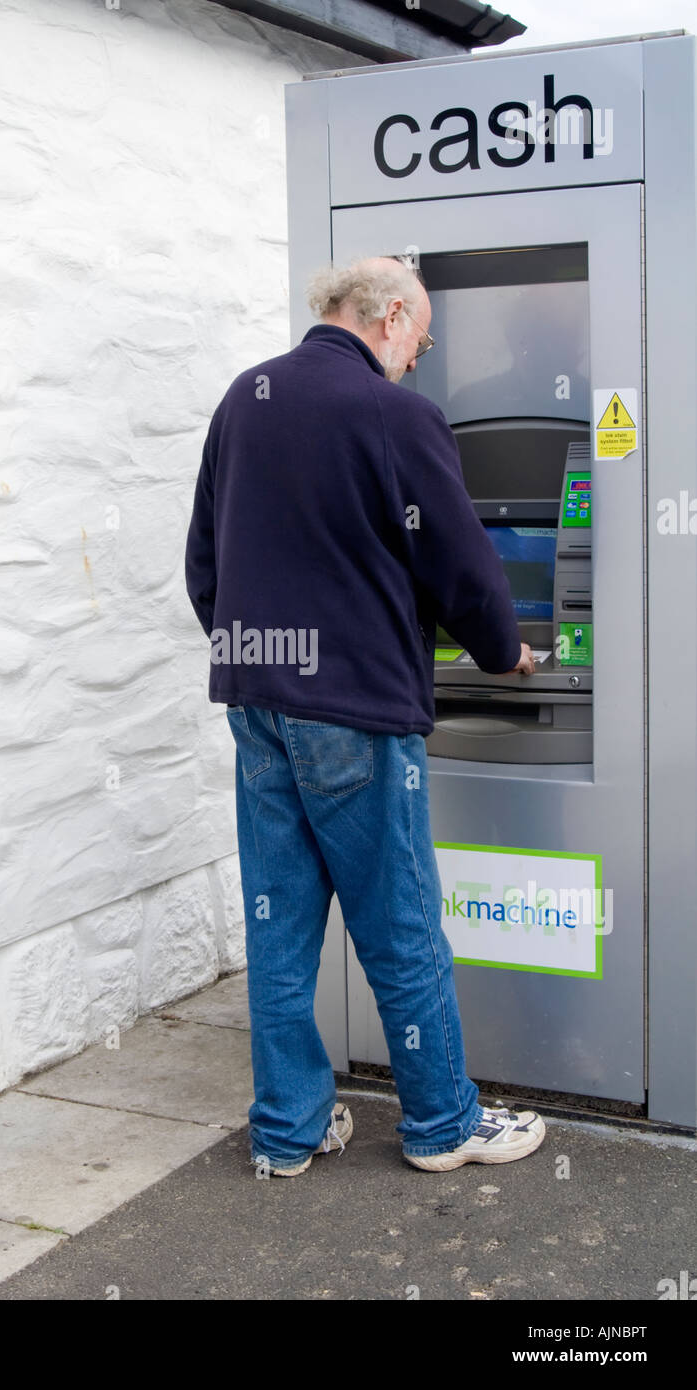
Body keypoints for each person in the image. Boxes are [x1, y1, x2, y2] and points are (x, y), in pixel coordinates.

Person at [184, 255, 545, 1176]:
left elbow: (204, 562)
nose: (414, 361)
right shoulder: (394, 415)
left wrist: (258, 658)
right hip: (353, 711)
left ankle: (288, 1131)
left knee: (280, 925)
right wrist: (506, 653)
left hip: (259, 701)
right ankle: (441, 1125)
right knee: (402, 922)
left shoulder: (243, 399)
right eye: (417, 342)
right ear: (388, 317)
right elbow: (462, 565)